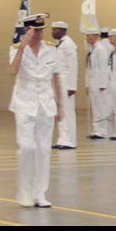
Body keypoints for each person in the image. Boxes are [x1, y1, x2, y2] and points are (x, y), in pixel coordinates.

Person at [9, 14, 62, 207]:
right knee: (26, 147)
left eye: (41, 30)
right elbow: (13, 71)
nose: (39, 34)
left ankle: (40, 193)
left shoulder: (51, 50)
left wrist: (60, 105)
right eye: (35, 30)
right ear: (27, 30)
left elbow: (56, 78)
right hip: (24, 103)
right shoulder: (16, 49)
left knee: (43, 149)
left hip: (46, 104)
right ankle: (24, 192)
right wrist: (22, 47)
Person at [49, 21, 78, 150]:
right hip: (58, 79)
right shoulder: (59, 44)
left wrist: (72, 86)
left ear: (64, 31)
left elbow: (73, 66)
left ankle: (70, 141)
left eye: (56, 30)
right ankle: (62, 139)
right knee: (60, 110)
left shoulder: (69, 44)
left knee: (67, 111)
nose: (53, 32)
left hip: (66, 80)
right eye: (53, 30)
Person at [84, 28, 112, 139]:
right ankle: (96, 129)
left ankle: (102, 130)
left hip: (99, 83)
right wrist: (87, 84)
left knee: (101, 107)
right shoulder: (92, 49)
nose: (87, 38)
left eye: (89, 36)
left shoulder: (100, 49)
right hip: (93, 82)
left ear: (96, 36)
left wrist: (103, 84)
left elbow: (103, 68)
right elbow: (89, 68)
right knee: (95, 107)